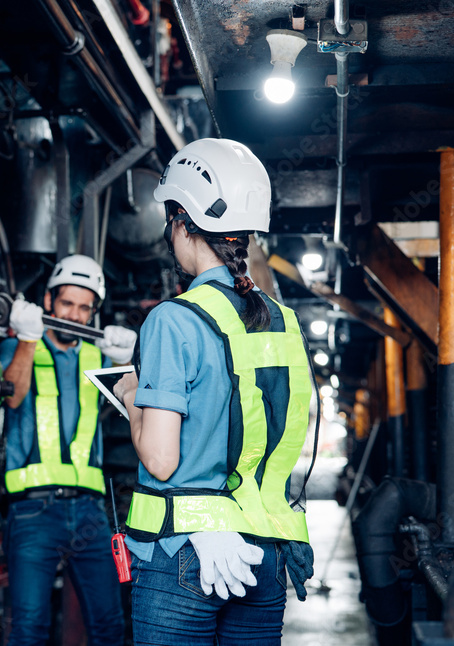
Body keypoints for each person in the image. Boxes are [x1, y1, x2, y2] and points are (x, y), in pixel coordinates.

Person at [111, 139, 316, 645]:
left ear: (181, 221)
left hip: (184, 555)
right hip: (263, 558)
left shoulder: (172, 319)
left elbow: (160, 459)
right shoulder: (284, 321)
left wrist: (132, 397)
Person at [0, 254, 135, 646]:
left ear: (93, 312)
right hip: (32, 513)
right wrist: (26, 339)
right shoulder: (19, 347)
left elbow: (137, 412)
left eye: (83, 307)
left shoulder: (99, 358)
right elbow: (12, 396)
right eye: (66, 304)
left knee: (109, 627)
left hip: (90, 513)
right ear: (48, 301)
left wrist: (127, 364)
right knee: (28, 630)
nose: (73, 315)